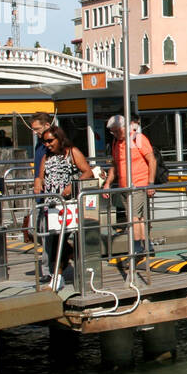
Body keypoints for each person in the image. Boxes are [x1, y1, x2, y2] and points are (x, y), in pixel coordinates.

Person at [33, 126, 93, 284]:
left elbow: (87, 172)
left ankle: (59, 274)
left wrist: (72, 186)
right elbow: (40, 176)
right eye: (44, 141)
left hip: (69, 204)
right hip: (51, 204)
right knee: (52, 239)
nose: (47, 144)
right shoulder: (46, 157)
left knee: (62, 238)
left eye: (50, 141)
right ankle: (60, 268)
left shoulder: (72, 152)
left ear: (59, 138)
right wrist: (38, 183)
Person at [105, 114, 156, 260]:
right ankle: (145, 246)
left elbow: (151, 160)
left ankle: (138, 247)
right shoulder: (116, 143)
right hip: (124, 186)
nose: (115, 134)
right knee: (137, 217)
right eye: (112, 132)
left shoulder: (138, 138)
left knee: (134, 217)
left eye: (117, 131)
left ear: (124, 127)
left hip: (139, 184)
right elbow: (115, 165)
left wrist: (150, 183)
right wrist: (108, 182)